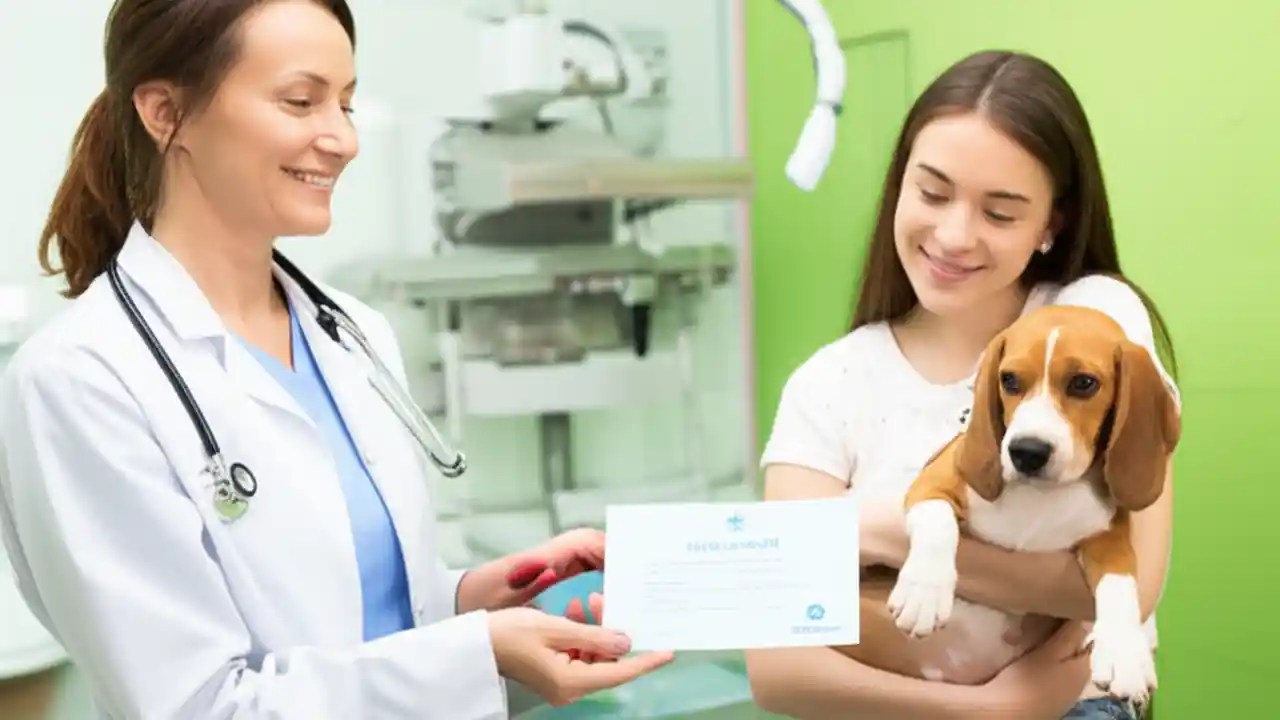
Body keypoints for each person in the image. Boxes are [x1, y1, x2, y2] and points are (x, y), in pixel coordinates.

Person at [0, 1, 673, 718]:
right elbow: (196, 705)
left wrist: (480, 600)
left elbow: (369, 619)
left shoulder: (355, 334)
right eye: (301, 101)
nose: (343, 139)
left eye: (345, 104)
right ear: (166, 111)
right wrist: (478, 652)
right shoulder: (81, 379)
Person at [744, 50, 1180, 720]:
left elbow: (1125, 588)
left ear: (1051, 226)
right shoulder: (828, 385)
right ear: (899, 186)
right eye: (933, 193)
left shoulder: (1097, 319)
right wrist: (999, 709)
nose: (953, 235)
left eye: (1000, 213)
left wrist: (880, 532)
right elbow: (777, 671)